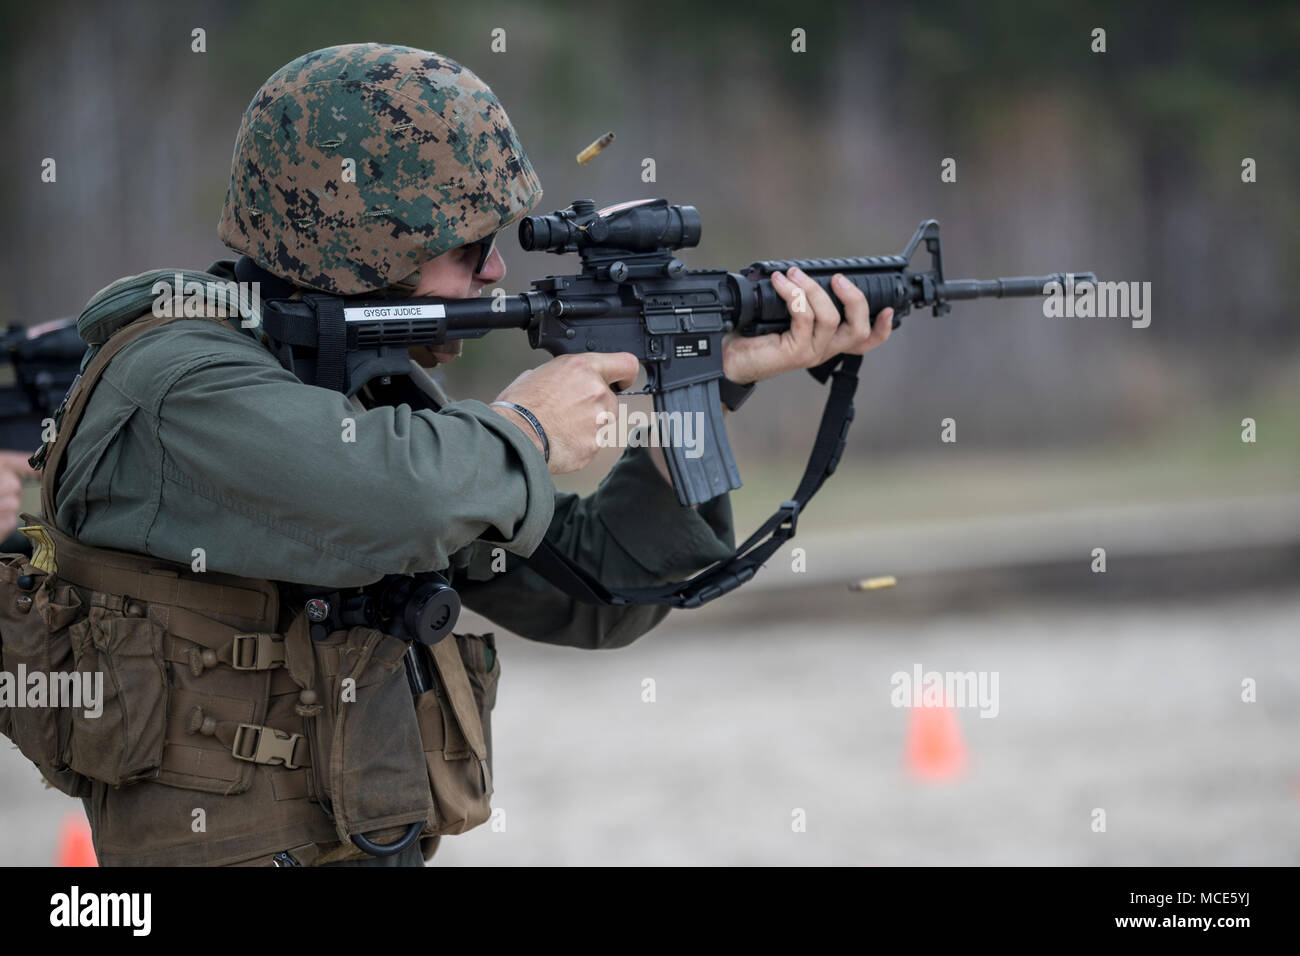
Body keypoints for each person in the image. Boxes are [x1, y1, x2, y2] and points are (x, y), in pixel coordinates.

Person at [30, 43, 892, 866]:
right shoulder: (179, 380)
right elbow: (391, 499)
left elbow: (595, 590)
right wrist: (523, 429)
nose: (493, 272)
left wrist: (709, 382)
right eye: (469, 245)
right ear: (366, 243)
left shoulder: (363, 392)